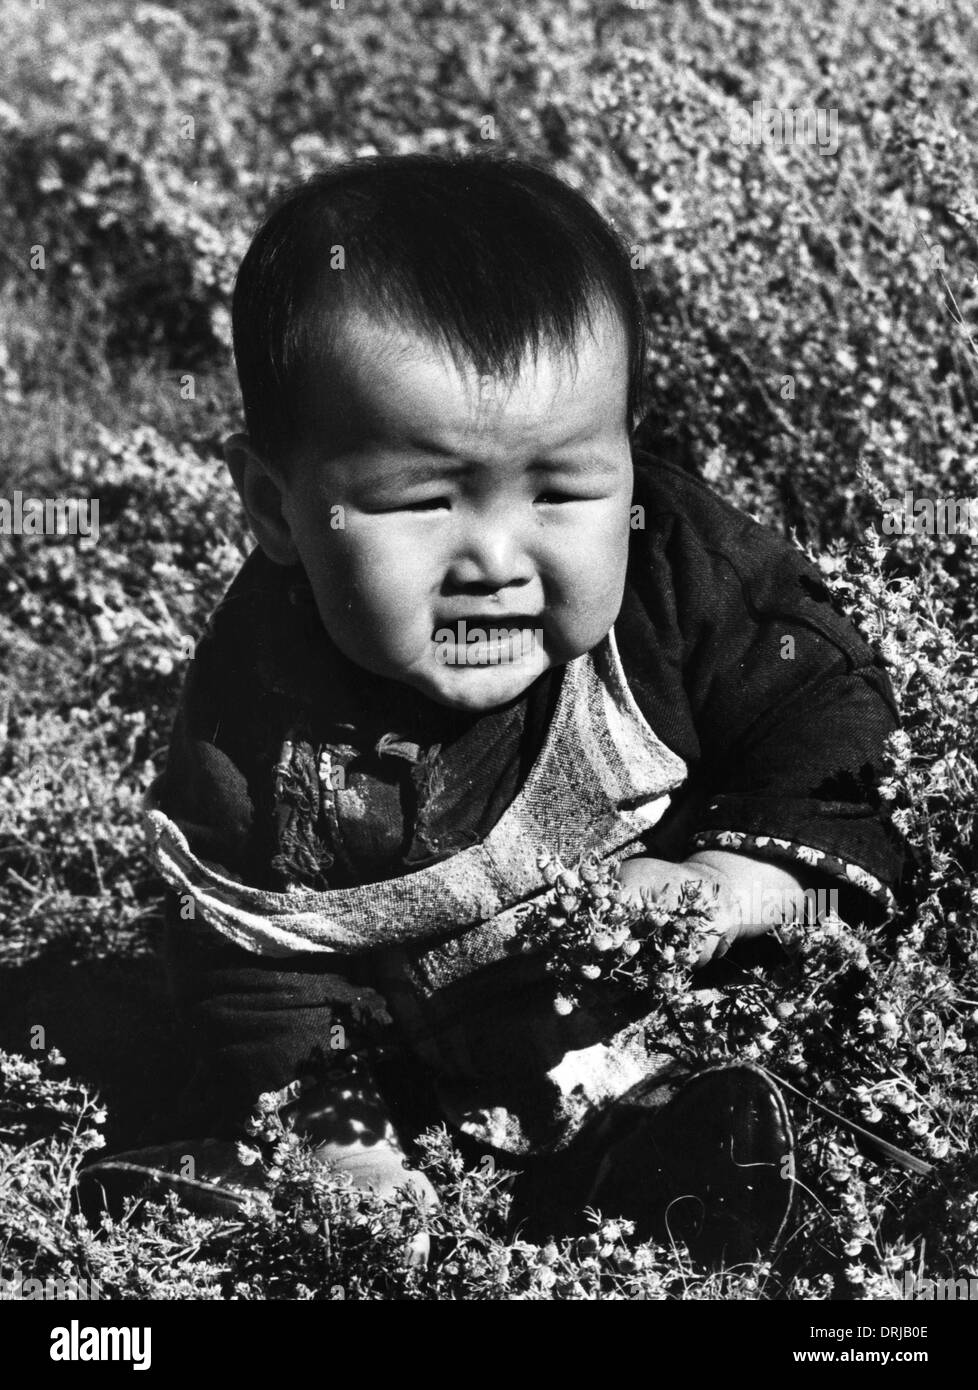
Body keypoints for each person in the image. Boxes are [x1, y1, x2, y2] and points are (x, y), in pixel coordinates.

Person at [83, 154, 904, 1261]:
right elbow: (250, 959)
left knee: (777, 1083)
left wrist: (736, 884)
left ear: (627, 460)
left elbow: (835, 724)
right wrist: (350, 1142)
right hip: (424, 1057)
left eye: (564, 490)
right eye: (423, 501)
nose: (497, 561)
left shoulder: (680, 580)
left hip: (684, 1005)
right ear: (278, 509)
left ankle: (695, 1159)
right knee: (270, 1153)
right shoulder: (253, 731)